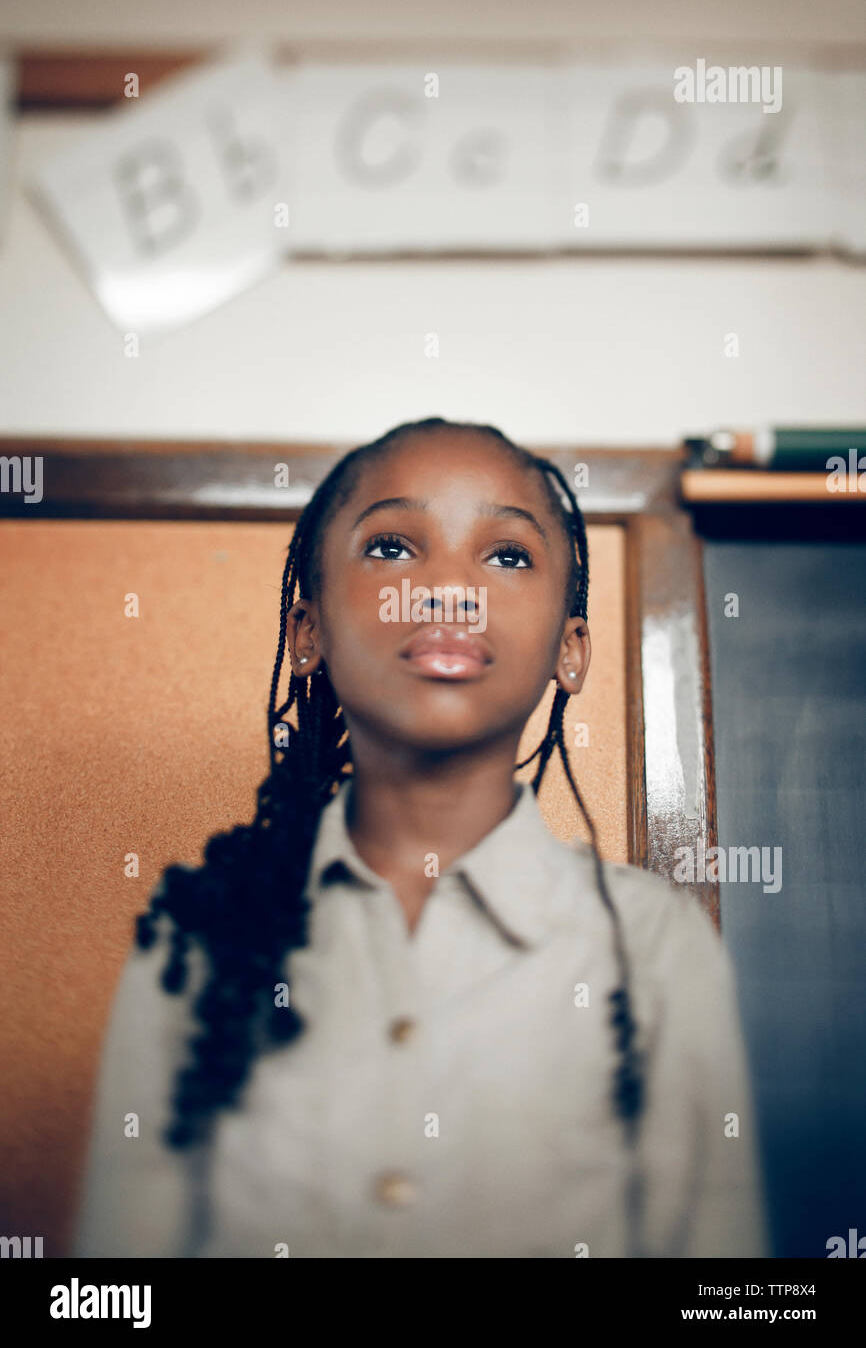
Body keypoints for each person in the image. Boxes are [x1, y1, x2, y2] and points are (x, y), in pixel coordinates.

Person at [71, 416, 768, 1258]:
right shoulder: (199, 938)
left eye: (507, 556)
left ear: (570, 650)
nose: (447, 588)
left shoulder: (655, 946)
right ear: (308, 633)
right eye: (393, 548)